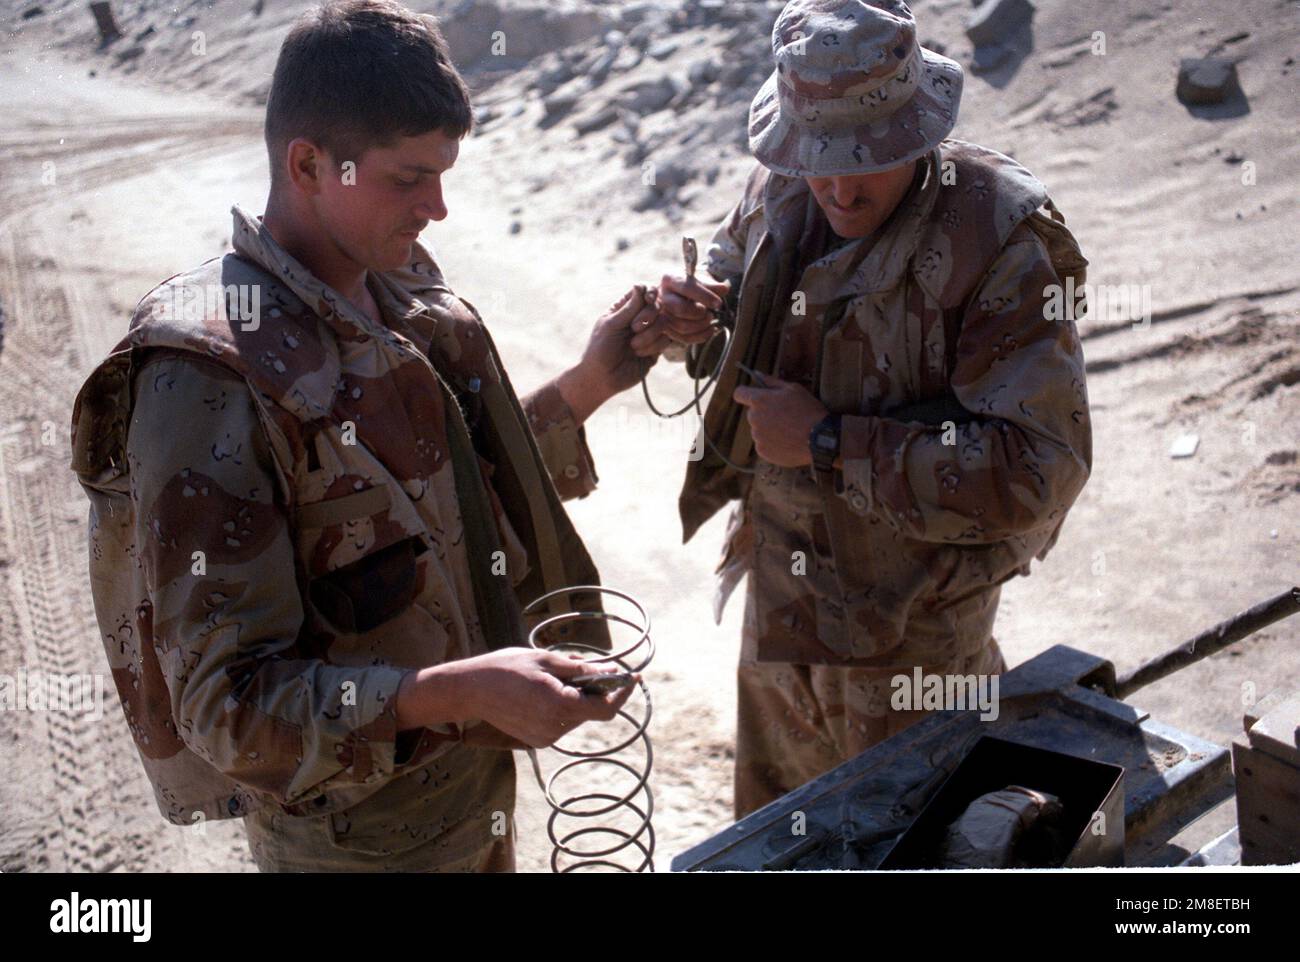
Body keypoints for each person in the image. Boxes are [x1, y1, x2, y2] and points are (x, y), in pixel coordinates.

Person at [69, 0, 660, 872]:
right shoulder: (206, 374)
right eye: (409, 178)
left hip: (472, 793)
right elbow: (227, 708)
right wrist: (448, 691)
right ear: (308, 164)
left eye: (443, 175)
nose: (440, 208)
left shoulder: (398, 298)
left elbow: (442, 500)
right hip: (355, 841)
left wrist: (590, 383)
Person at [635, 0, 1094, 820]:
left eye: (868, 161)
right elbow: (733, 276)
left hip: (913, 632)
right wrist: (695, 319)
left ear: (918, 134)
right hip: (783, 592)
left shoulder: (998, 239)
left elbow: (1038, 472)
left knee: (910, 838)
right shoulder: (784, 181)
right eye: (819, 160)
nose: (840, 188)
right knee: (776, 837)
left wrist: (825, 441)